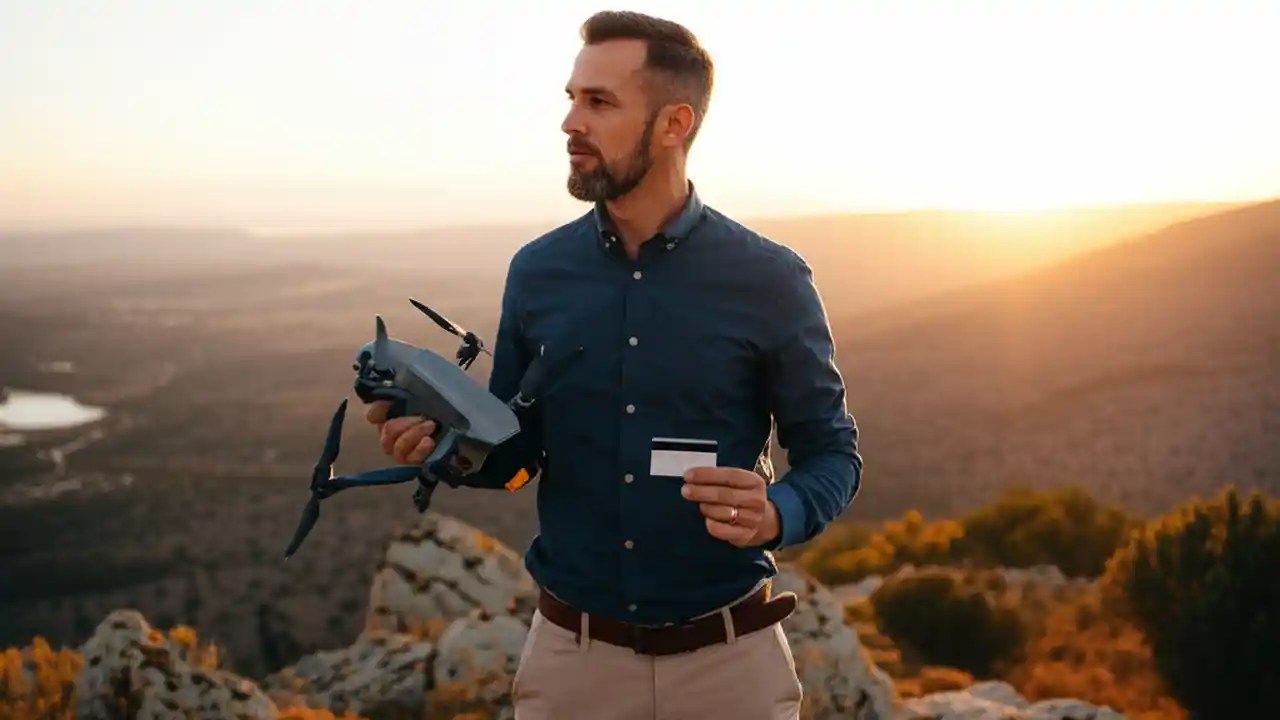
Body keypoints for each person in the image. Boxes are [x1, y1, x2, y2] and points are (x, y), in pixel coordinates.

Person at [366, 10, 861, 720]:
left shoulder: (771, 279)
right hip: (572, 668)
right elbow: (513, 453)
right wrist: (442, 445)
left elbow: (832, 452)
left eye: (598, 102)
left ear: (673, 124)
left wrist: (777, 512)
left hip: (730, 668)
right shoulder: (538, 273)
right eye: (571, 99)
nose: (571, 122)